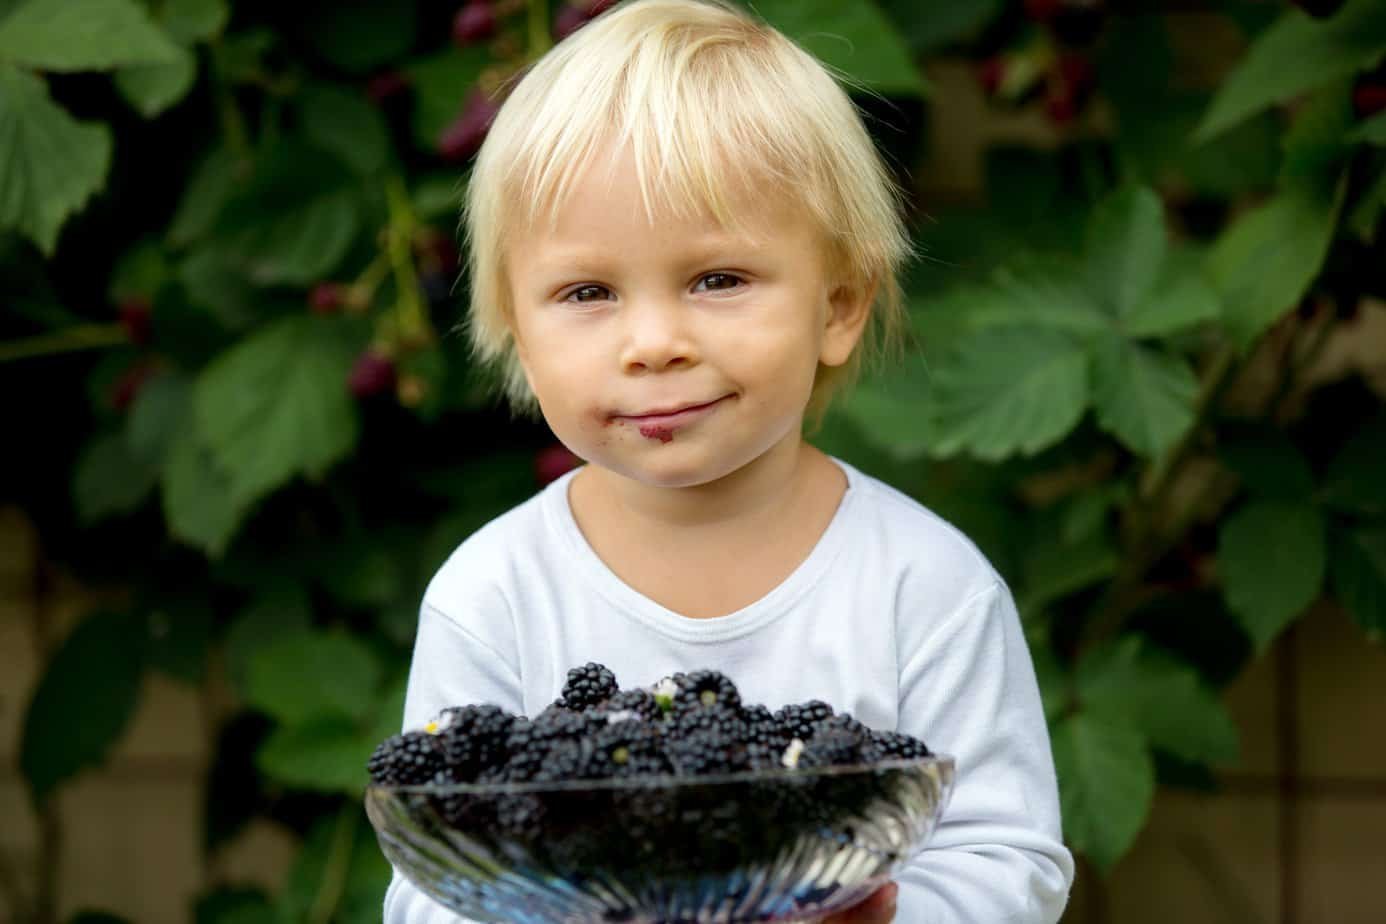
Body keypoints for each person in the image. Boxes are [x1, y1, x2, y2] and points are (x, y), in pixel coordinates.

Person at [383, 0, 1075, 921]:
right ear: (515, 327)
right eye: (588, 291)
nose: (654, 342)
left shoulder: (927, 590)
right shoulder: (493, 598)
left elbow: (1005, 859)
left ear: (838, 305)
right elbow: (436, 885)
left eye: (718, 280)